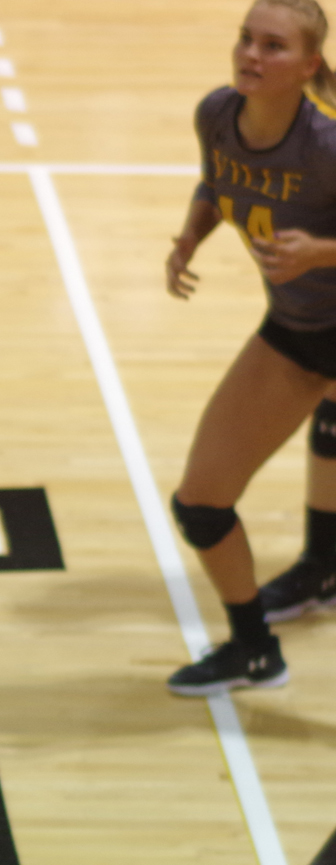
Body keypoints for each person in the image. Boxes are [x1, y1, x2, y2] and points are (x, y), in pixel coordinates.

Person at [163, 0, 336, 693]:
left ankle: (322, 565)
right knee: (201, 503)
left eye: (273, 45)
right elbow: (216, 181)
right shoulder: (217, 113)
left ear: (309, 66)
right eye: (246, 39)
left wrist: (321, 250)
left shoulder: (325, 148)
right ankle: (255, 650)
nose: (251, 55)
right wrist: (189, 236)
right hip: (299, 332)